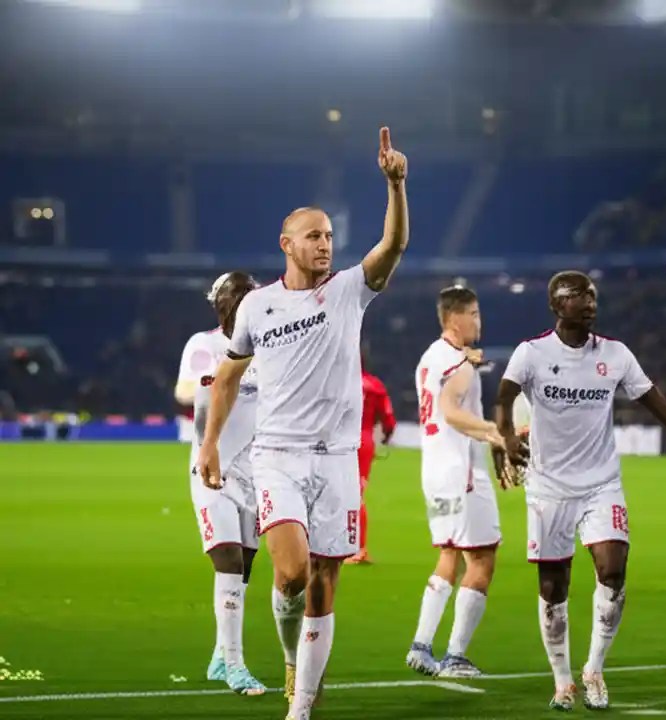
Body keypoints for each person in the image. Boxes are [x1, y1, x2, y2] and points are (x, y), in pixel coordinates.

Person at [196, 127, 409, 720]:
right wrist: (211, 444)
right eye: (314, 236)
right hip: (279, 456)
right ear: (286, 243)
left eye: (331, 236)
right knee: (289, 573)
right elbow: (230, 376)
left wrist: (395, 187)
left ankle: (302, 705)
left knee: (323, 582)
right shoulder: (257, 306)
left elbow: (392, 248)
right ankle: (292, 656)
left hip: (337, 458)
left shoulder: (347, 292)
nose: (326, 245)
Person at [494, 270, 666, 711]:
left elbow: (660, 407)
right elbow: (503, 396)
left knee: (613, 571)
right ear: (558, 305)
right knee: (552, 587)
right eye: (579, 295)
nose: (591, 301)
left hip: (601, 485)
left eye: (593, 294)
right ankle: (562, 680)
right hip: (549, 489)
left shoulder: (615, 355)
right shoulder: (532, 353)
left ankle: (594, 668)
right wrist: (506, 437)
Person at [407, 286, 508, 678]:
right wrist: (494, 431)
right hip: (463, 474)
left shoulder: (430, 358)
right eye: (475, 314)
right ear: (455, 319)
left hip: (434, 472)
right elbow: (450, 411)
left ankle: (421, 645)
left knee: (449, 554)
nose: (479, 322)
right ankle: (455, 656)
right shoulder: (460, 366)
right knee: (482, 558)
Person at [175, 271, 267, 696]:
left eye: (248, 294)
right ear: (220, 303)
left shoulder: (268, 349)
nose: (241, 301)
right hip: (212, 469)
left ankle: (219, 654)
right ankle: (235, 665)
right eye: (235, 294)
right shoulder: (204, 344)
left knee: (244, 567)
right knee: (227, 559)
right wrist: (215, 380)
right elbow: (183, 391)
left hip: (256, 470)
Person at [347, 360, 396, 565]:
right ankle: (356, 547)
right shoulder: (375, 385)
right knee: (356, 493)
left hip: (339, 440)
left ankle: (355, 549)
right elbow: (389, 419)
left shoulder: (342, 382)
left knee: (344, 494)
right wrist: (385, 437)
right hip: (365, 440)